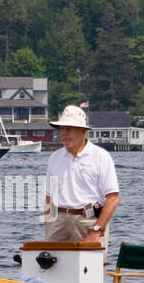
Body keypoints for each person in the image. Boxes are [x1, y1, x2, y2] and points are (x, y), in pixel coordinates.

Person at [43, 105, 120, 249]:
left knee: (92, 269)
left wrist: (97, 230)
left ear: (83, 131)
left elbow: (112, 198)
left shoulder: (100, 156)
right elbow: (49, 196)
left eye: (69, 129)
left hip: (89, 221)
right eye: (62, 129)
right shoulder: (54, 158)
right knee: (52, 268)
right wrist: (49, 224)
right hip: (58, 223)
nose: (64, 133)